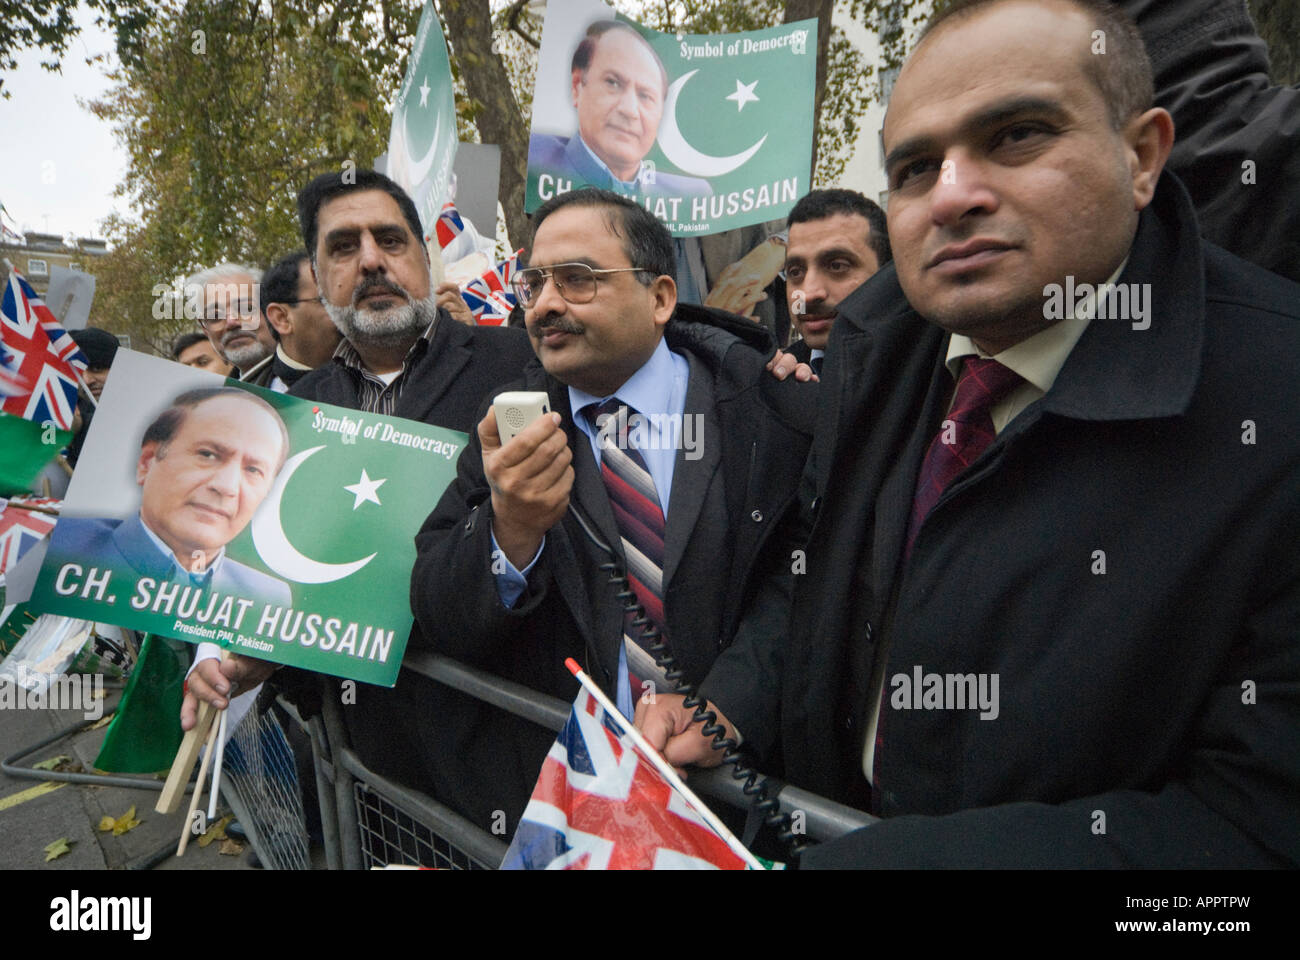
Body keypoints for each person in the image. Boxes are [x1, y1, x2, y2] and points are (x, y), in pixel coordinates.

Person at [637, 0, 1300, 868]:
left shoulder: (1275, 403)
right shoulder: (877, 351)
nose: (951, 196)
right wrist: (733, 702)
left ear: (1142, 156)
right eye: (913, 167)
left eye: (1018, 135)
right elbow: (816, 566)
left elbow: (1255, 830)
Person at [410, 188, 817, 833]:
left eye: (577, 280)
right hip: (581, 813)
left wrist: (729, 707)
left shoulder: (770, 411)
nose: (544, 304)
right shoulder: (508, 427)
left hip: (744, 804)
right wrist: (509, 528)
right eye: (534, 282)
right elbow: (439, 609)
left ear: (659, 298)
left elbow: (809, 583)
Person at [48, 387, 292, 607]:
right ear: (146, 462)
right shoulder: (58, 546)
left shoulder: (267, 598)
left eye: (253, 470)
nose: (226, 487)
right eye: (207, 455)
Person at [529, 21, 710, 198]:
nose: (629, 111)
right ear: (577, 86)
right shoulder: (533, 161)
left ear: (661, 114)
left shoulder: (689, 197)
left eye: (645, 96)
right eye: (613, 83)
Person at [781, 189, 890, 374]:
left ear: (887, 272)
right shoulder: (774, 382)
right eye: (796, 272)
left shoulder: (934, 370)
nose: (808, 294)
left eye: (836, 266)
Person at [240, 250, 342, 392]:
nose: (346, 309)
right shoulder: (250, 402)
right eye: (327, 300)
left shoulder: (379, 374)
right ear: (281, 319)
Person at [185, 262, 276, 382]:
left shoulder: (306, 384)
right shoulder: (221, 398)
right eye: (215, 316)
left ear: (276, 314)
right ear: (206, 331)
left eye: (245, 308)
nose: (231, 322)